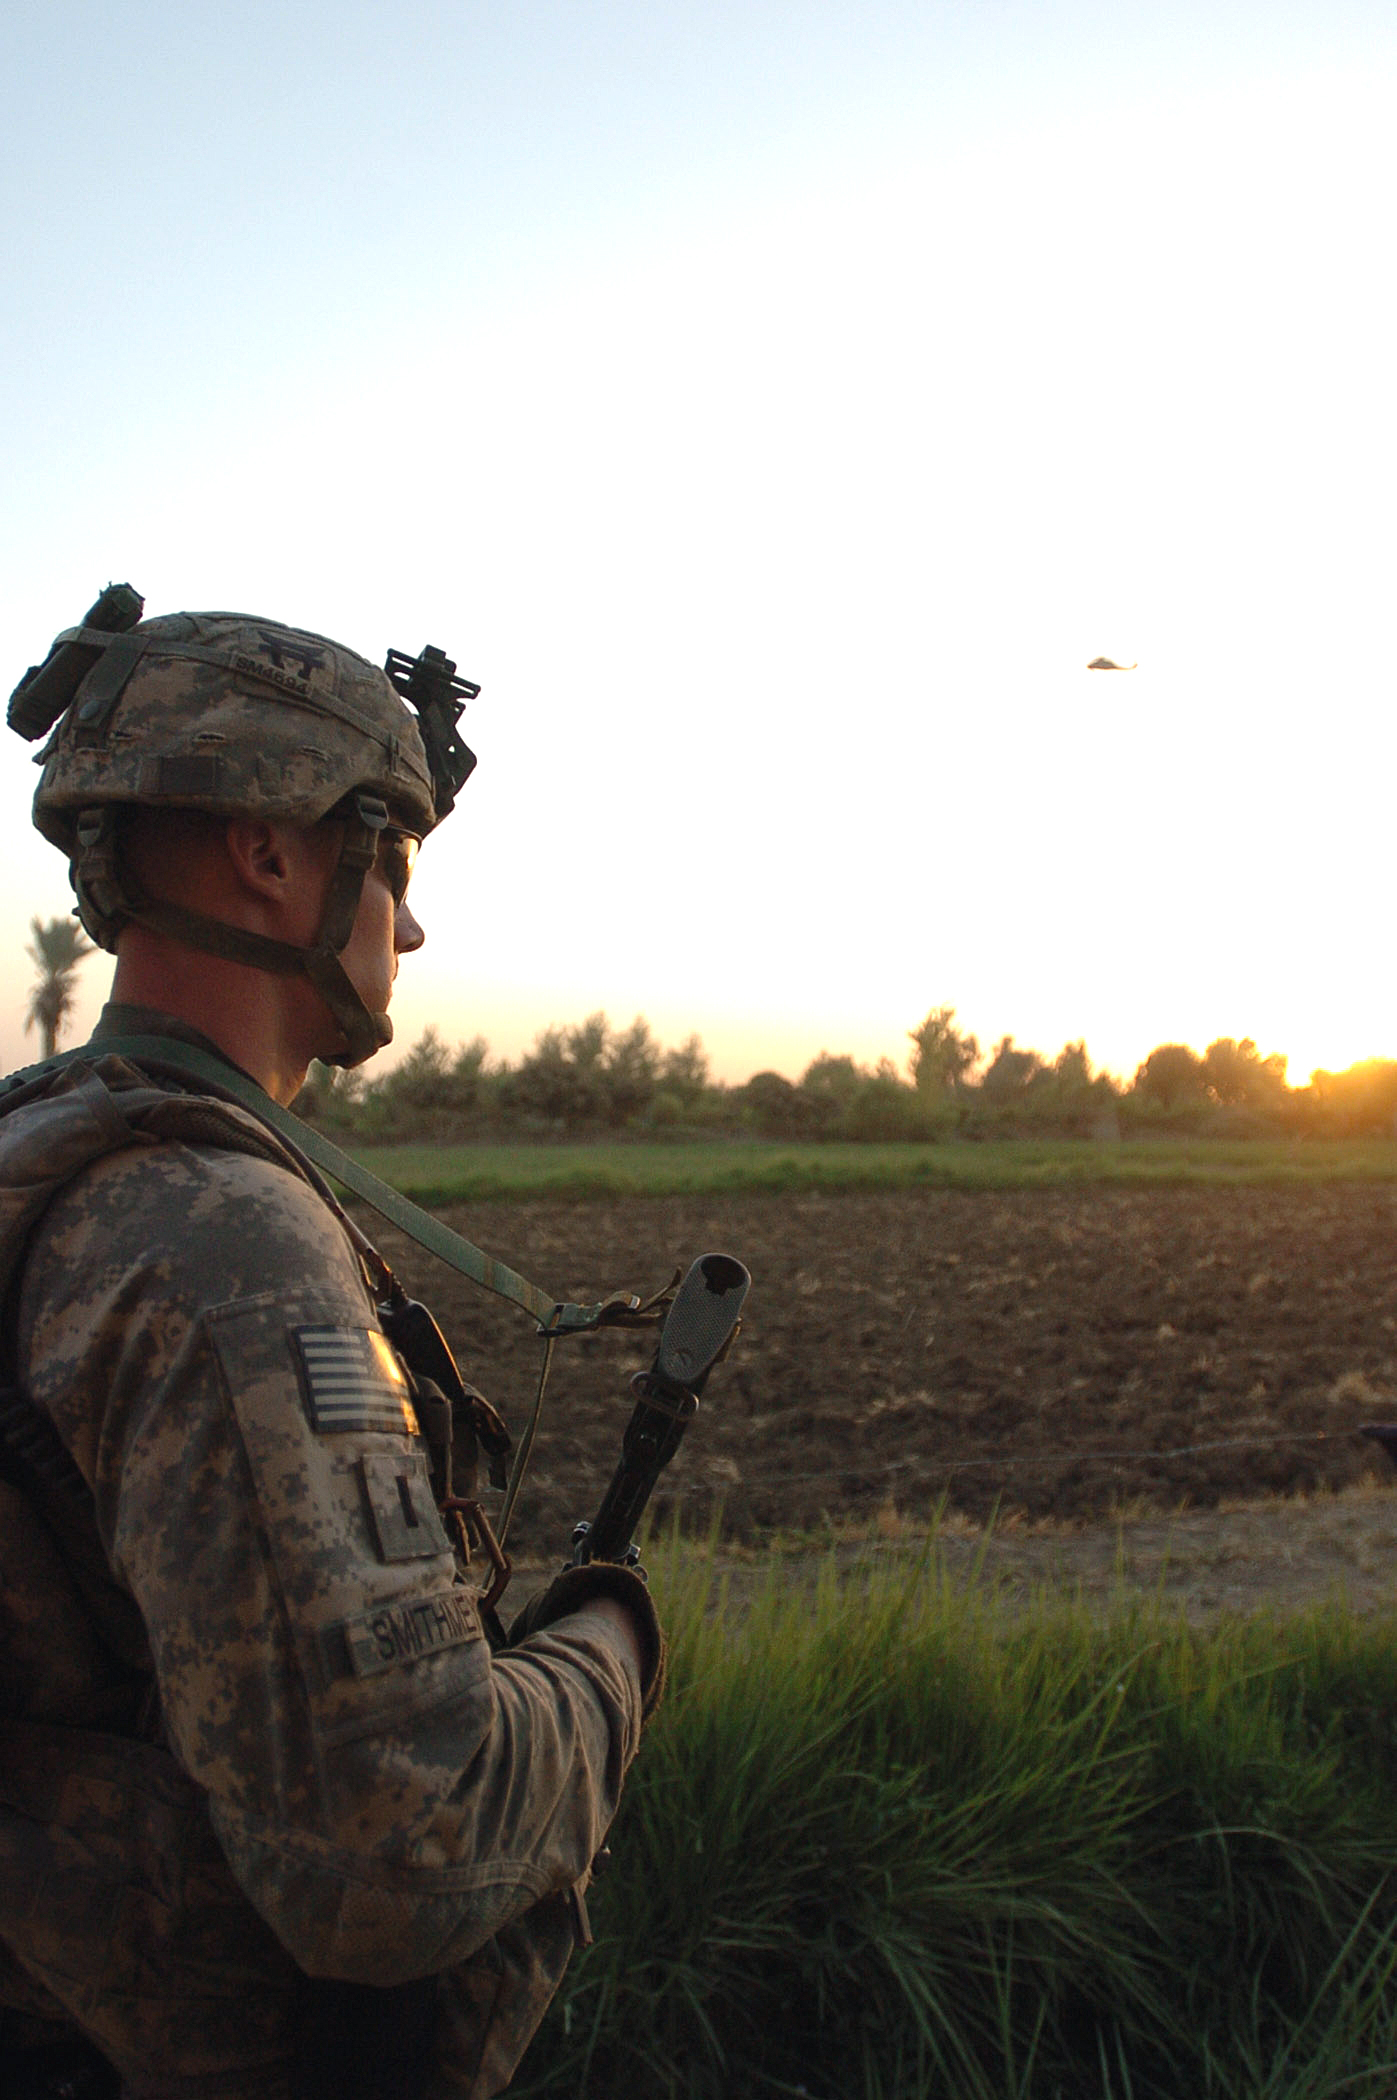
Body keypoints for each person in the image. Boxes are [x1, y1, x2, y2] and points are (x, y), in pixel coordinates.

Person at [0, 600, 664, 2099]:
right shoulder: (216, 1238)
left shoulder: (41, 1157)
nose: (412, 924)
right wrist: (613, 1650)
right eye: (400, 861)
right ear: (273, 853)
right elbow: (396, 1848)